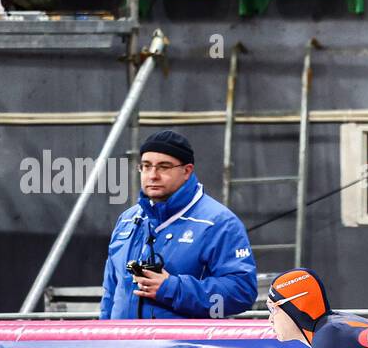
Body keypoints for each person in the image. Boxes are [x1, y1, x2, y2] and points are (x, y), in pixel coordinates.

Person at [100, 130, 257, 319]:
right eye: (146, 166)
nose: (153, 175)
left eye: (163, 167)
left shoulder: (219, 223)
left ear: (187, 171)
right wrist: (104, 337)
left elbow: (241, 293)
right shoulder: (127, 219)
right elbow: (110, 292)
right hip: (124, 346)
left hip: (183, 347)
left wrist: (172, 289)